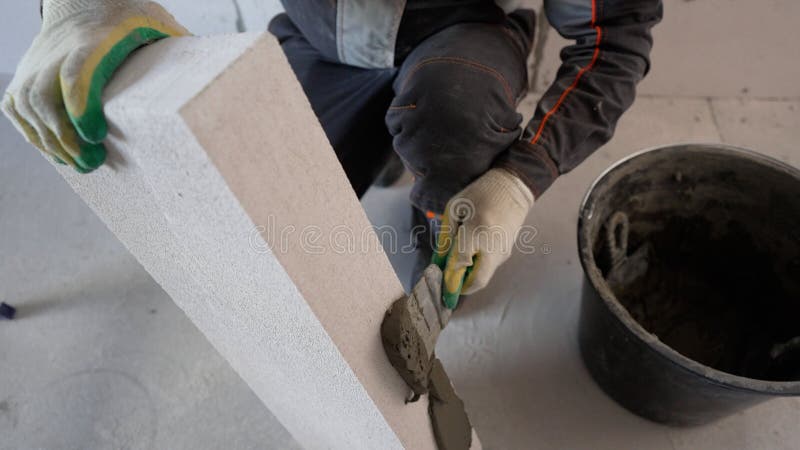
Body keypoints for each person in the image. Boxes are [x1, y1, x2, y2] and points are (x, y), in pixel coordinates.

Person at [2, 0, 662, 302]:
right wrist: (81, 5)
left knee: (450, 117)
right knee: (259, 192)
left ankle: (445, 270)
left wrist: (521, 179)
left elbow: (611, 38)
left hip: (463, 31)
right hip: (325, 38)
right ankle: (375, 148)